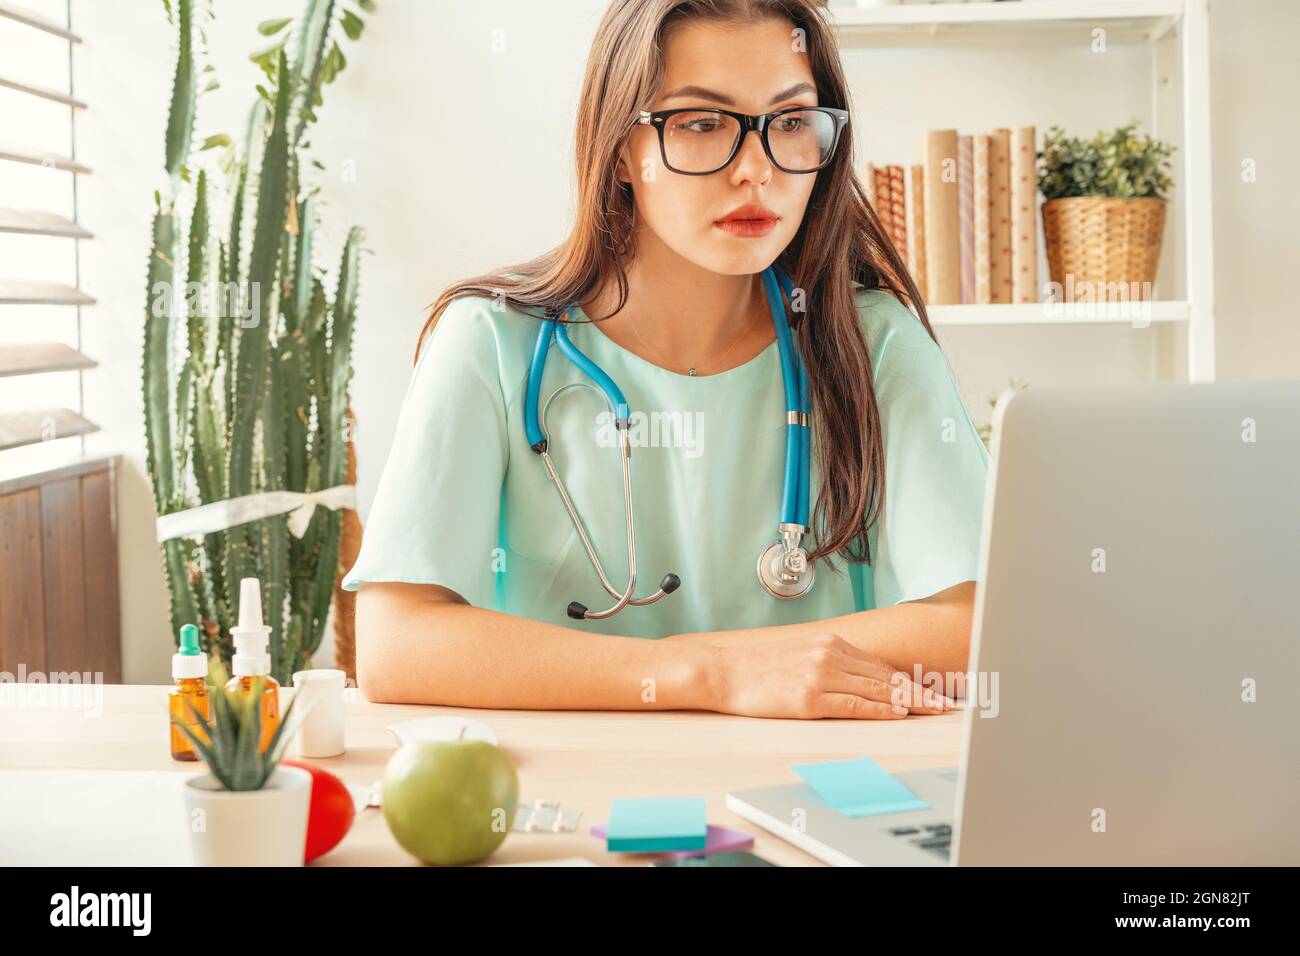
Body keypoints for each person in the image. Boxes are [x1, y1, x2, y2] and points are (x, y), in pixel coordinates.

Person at [343, 0, 988, 720]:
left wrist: (720, 670)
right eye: (702, 123)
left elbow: (975, 631)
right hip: (572, 801)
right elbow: (398, 644)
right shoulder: (489, 341)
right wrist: (710, 675)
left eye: (791, 122)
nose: (756, 171)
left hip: (820, 792)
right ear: (621, 148)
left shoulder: (875, 342)